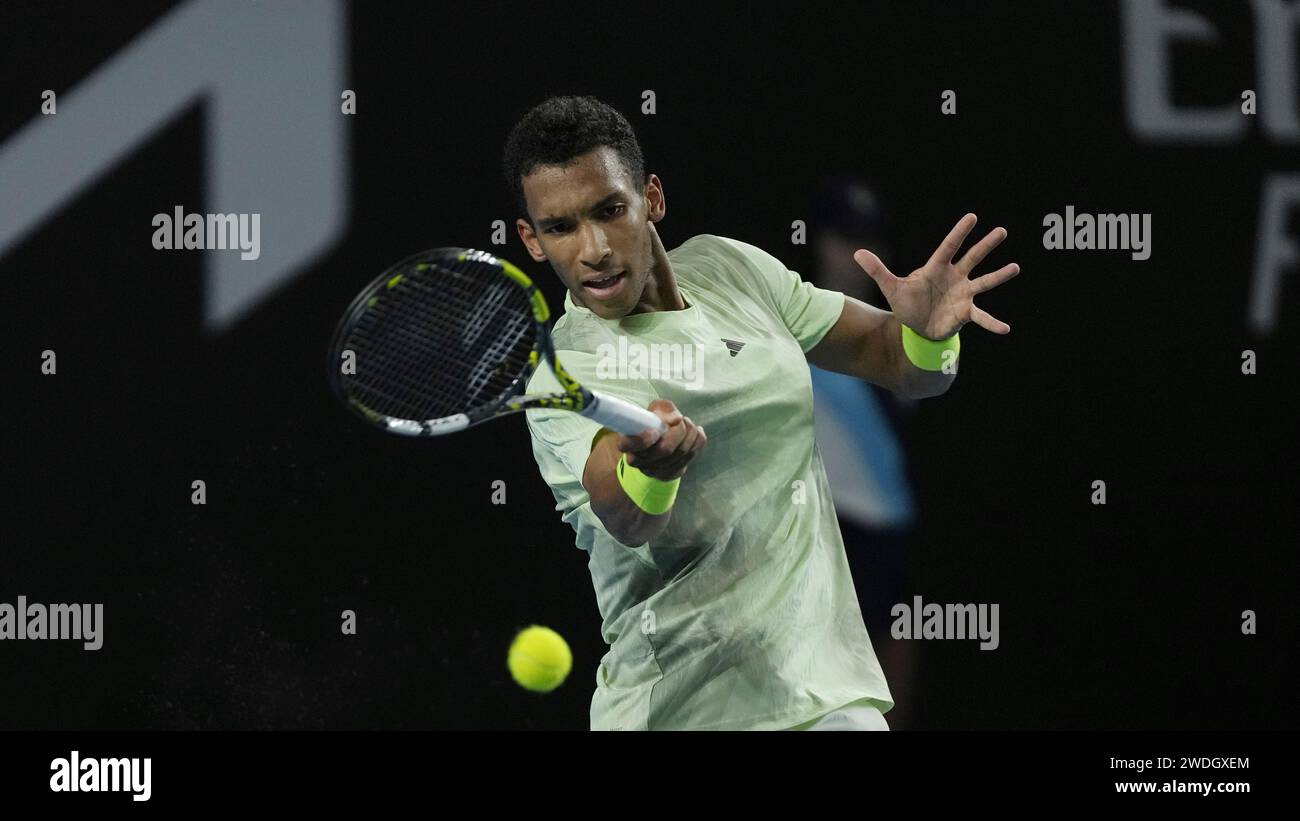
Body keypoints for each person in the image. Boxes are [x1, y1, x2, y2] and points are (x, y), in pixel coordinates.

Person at [505, 96, 1019, 730]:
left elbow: (897, 362)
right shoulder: (564, 370)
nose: (594, 249)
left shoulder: (731, 267)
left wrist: (927, 335)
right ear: (531, 239)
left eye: (610, 211)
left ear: (652, 199)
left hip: (827, 696)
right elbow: (623, 513)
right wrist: (651, 469)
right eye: (560, 227)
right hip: (682, 714)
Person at [808, 177, 920, 729]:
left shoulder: (903, 343)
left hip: (889, 537)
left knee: (885, 698)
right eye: (845, 239)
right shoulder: (784, 328)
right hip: (820, 537)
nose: (860, 256)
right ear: (821, 243)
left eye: (871, 241)